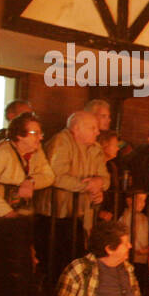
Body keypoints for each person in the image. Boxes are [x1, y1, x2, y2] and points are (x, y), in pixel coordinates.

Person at [36, 110, 108, 271]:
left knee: (76, 259)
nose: (97, 132)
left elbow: (105, 178)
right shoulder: (61, 142)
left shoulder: (95, 148)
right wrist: (87, 186)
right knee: (56, 262)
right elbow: (56, 176)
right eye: (92, 128)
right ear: (76, 128)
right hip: (56, 214)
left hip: (81, 216)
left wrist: (99, 183)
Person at [0, 113, 54, 217]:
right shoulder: (2, 153)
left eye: (41, 133)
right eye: (35, 133)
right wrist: (5, 211)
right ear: (20, 135)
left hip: (22, 211)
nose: (40, 137)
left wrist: (31, 181)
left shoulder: (37, 150)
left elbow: (49, 176)